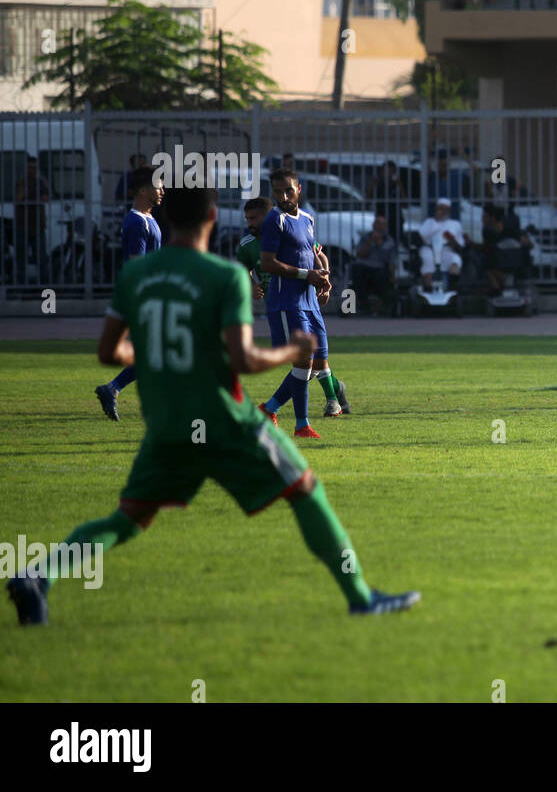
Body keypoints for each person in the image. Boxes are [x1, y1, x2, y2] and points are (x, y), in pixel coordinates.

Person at [5, 185, 419, 626]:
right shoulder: (224, 277)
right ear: (211, 219)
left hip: (166, 424)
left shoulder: (137, 277)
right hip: (225, 420)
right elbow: (243, 359)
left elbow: (110, 352)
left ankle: (39, 574)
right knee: (304, 489)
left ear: (169, 221)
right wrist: (291, 350)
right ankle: (359, 596)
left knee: (128, 518)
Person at [237, 196, 348, 415]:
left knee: (312, 359)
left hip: (305, 300)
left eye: (254, 218)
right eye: (247, 218)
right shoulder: (247, 245)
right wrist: (251, 285)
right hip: (280, 305)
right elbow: (243, 269)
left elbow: (319, 256)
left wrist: (325, 285)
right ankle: (333, 393)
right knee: (305, 361)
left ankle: (324, 400)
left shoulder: (291, 233)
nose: (249, 223)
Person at [256, 169, 334, 438]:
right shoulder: (274, 221)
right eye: (278, 192)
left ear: (299, 189)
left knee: (316, 364)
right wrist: (307, 275)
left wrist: (324, 280)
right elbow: (267, 263)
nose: (284, 196)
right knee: (304, 362)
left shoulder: (308, 219)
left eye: (288, 190)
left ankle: (271, 408)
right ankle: (301, 424)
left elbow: (312, 255)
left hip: (310, 301)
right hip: (287, 302)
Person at [94, 166, 164, 422]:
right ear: (144, 190)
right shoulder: (135, 222)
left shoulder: (149, 219)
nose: (162, 191)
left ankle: (112, 389)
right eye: (158, 186)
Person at [12, 155, 52, 285]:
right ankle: (20, 286)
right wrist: (30, 195)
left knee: (41, 259)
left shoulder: (41, 182)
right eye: (29, 168)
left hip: (37, 225)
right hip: (22, 225)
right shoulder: (21, 182)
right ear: (25, 168)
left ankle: (43, 286)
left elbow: (45, 198)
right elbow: (18, 199)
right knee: (21, 259)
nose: (32, 171)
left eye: (34, 168)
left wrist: (31, 199)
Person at [478, 203, 534, 295]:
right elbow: (486, 249)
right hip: (498, 266)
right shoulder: (487, 232)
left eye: (485, 216)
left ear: (493, 218)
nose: (482, 219)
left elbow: (529, 245)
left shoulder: (512, 231)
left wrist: (523, 243)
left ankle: (501, 286)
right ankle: (498, 289)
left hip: (516, 266)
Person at [352, 214, 398, 316]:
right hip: (364, 267)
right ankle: (363, 303)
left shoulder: (389, 241)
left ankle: (380, 305)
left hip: (379, 269)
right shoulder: (365, 238)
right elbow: (359, 254)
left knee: (382, 276)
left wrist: (380, 244)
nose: (380, 226)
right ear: (373, 225)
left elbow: (391, 260)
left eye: (383, 224)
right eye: (378, 223)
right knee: (356, 269)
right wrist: (370, 242)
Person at [418, 198, 466, 292]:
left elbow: (460, 244)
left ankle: (452, 289)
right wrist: (437, 221)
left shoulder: (455, 224)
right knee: (428, 261)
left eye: (446, 209)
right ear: (436, 209)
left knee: (455, 260)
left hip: (446, 249)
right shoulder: (429, 222)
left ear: (449, 211)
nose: (443, 212)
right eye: (441, 209)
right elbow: (422, 236)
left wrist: (452, 241)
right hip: (429, 249)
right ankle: (429, 288)